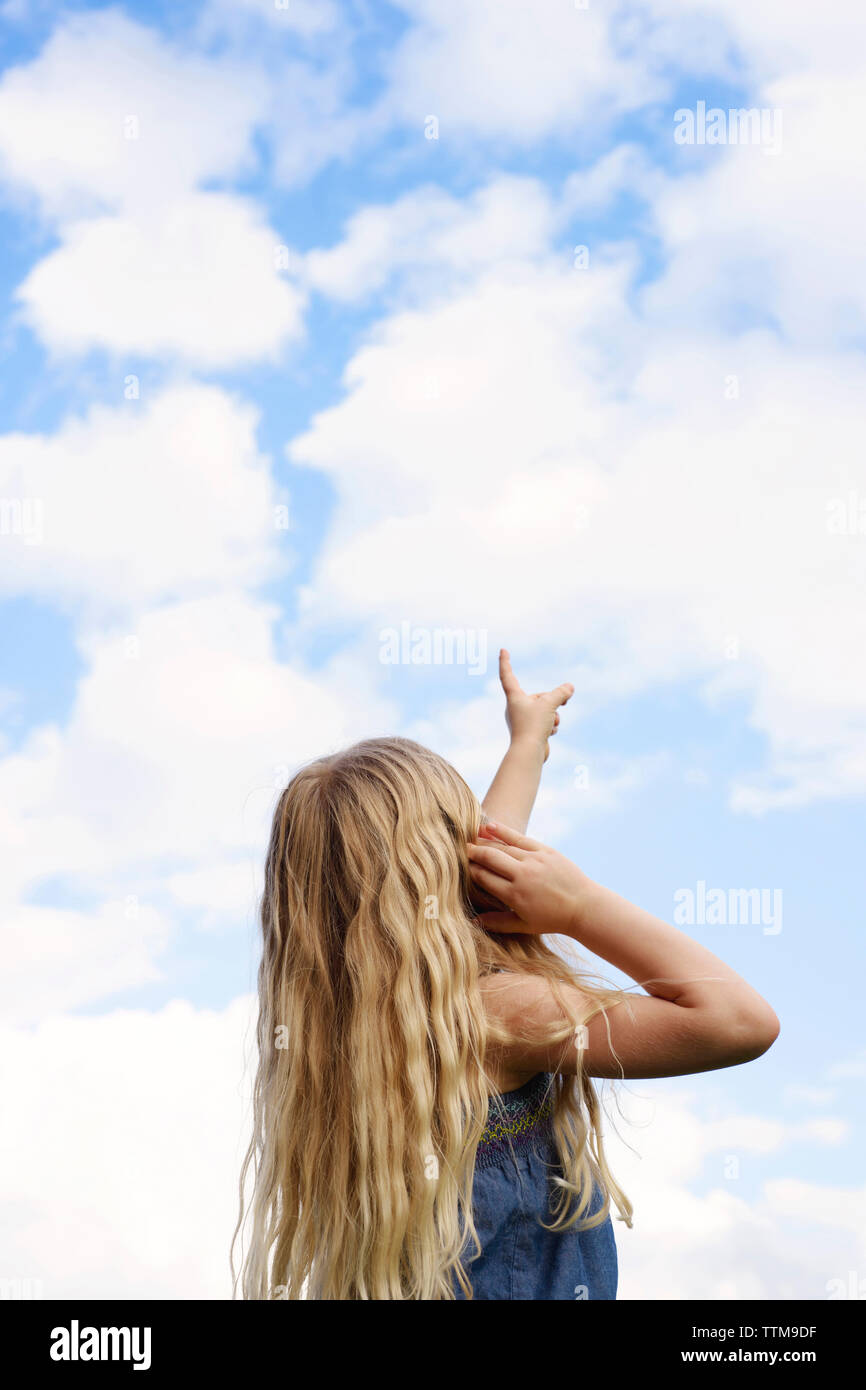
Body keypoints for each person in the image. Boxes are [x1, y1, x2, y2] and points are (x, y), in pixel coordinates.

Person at [232, 650, 780, 1300]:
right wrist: (582, 907)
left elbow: (487, 859)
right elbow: (738, 1022)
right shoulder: (499, 1013)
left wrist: (527, 743)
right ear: (445, 870)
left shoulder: (364, 1031)